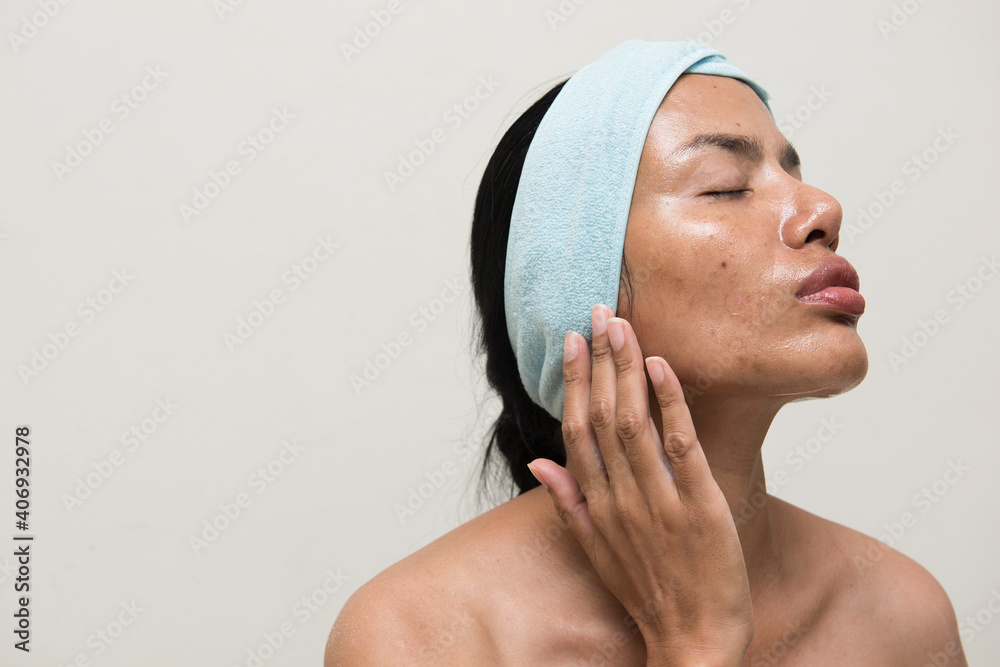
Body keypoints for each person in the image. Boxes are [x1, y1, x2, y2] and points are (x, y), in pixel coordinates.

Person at [325, 40, 967, 666]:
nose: (824, 208)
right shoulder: (419, 635)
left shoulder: (900, 618)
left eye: (792, 173)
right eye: (725, 187)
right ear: (578, 290)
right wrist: (697, 645)